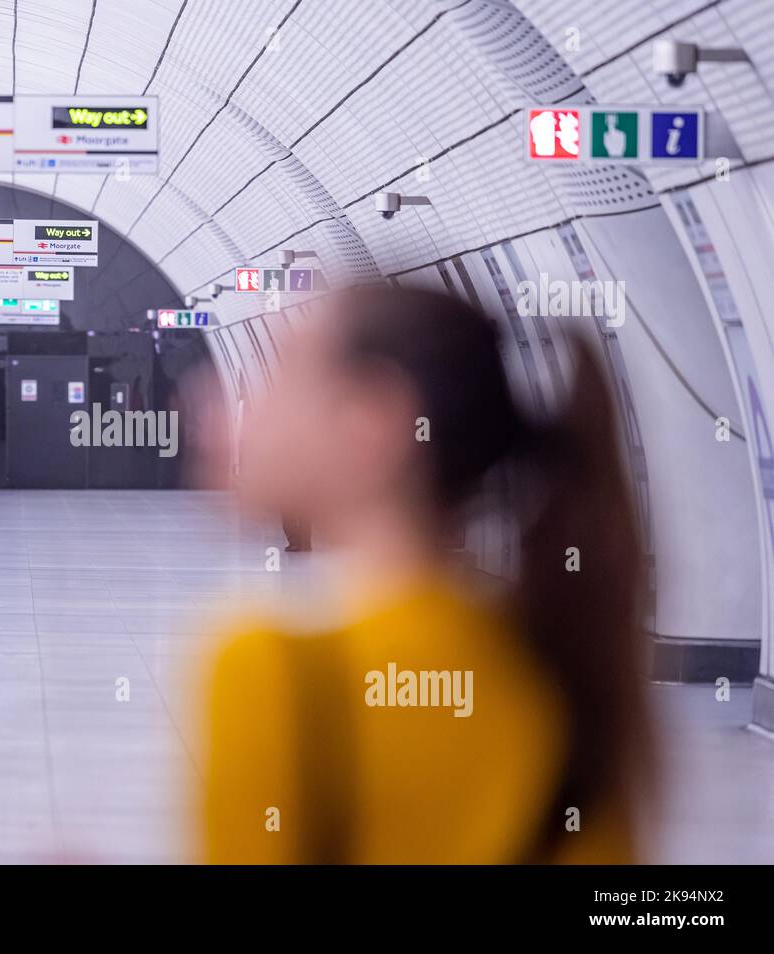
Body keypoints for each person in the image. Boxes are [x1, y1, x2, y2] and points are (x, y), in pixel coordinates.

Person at [199, 285, 653, 864]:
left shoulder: (269, 667)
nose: (233, 408)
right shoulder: (561, 662)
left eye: (281, 378)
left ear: (372, 426)